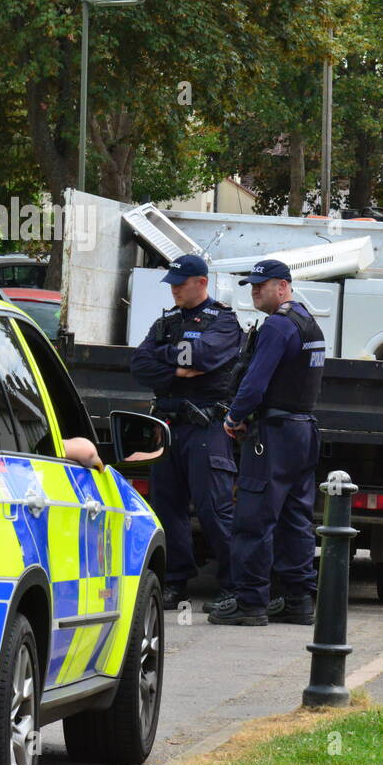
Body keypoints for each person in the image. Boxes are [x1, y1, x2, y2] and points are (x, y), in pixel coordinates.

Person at [211, 259, 325, 627]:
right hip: (303, 430)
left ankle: (250, 602)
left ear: (283, 285)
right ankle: (298, 599)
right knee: (295, 517)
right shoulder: (307, 322)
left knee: (254, 518)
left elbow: (255, 382)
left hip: (274, 434)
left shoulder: (277, 326)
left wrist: (234, 416)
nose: (255, 291)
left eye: (262, 284)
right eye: (251, 285)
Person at [129, 254, 241, 610]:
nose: (174, 288)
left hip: (206, 426)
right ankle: (176, 581)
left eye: (181, 282)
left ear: (202, 282)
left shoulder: (222, 321)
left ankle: (233, 585)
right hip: (168, 426)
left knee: (214, 509)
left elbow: (205, 356)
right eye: (172, 282)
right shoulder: (168, 323)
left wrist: (169, 359)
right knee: (167, 507)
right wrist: (177, 370)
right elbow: (139, 365)